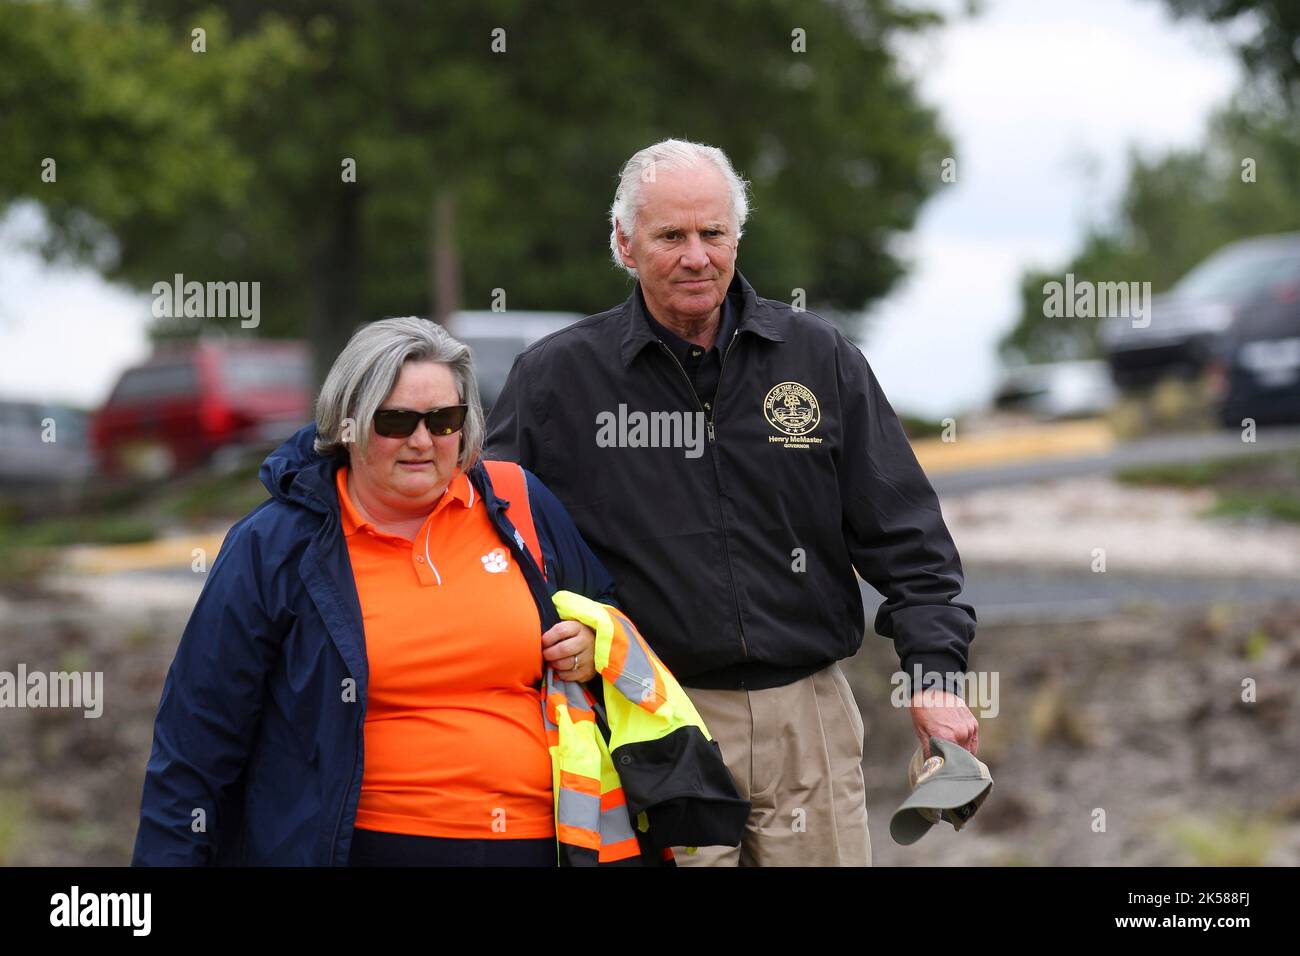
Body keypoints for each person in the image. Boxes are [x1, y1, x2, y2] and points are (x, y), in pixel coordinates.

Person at [486, 138, 980, 867]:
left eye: (712, 234)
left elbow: (910, 541)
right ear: (624, 244)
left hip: (808, 719)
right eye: (671, 237)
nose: (696, 256)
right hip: (653, 719)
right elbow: (497, 540)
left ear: (736, 236)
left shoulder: (820, 359)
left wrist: (936, 678)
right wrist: (566, 634)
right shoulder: (556, 380)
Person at [133, 316, 634, 866]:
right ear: (347, 424)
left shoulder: (519, 501)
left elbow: (610, 614)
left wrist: (595, 642)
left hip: (543, 844)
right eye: (395, 421)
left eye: (444, 420)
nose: (423, 441)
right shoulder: (276, 544)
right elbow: (196, 740)